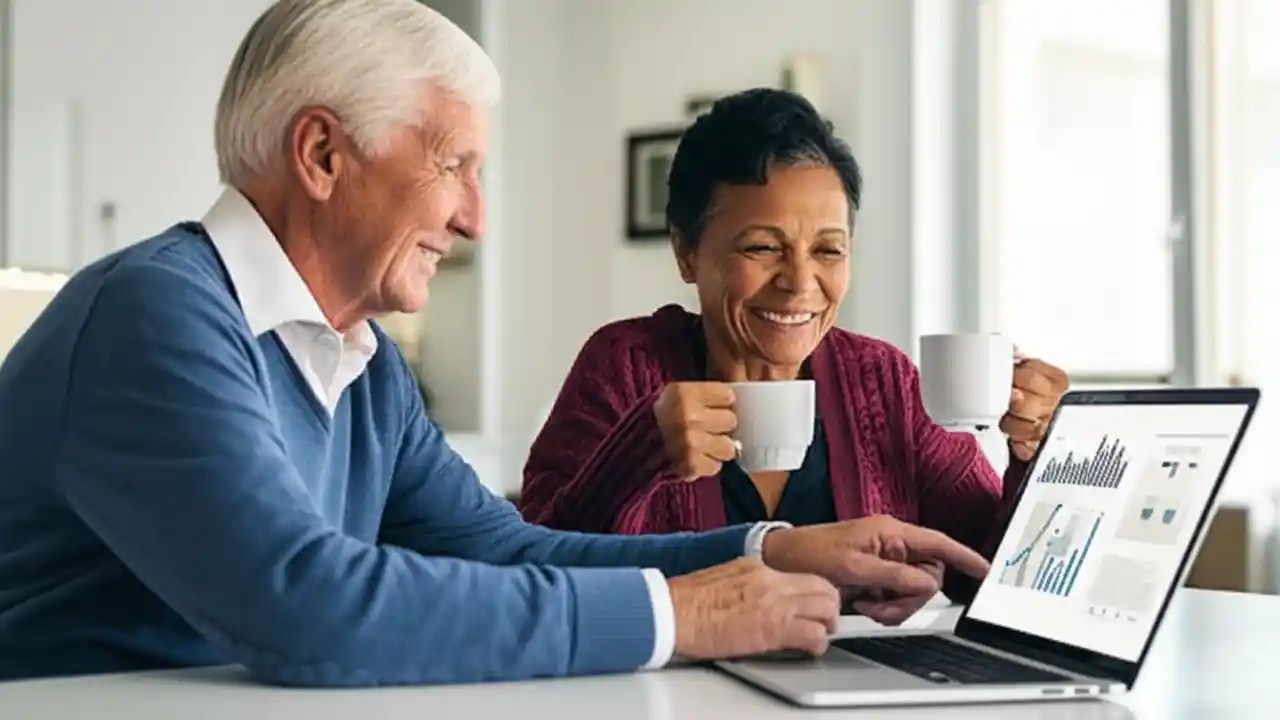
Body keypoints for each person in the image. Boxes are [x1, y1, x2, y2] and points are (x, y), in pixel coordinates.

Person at [0, 0, 990, 687]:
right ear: (322, 153)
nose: (475, 217)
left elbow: (502, 549)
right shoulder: (156, 314)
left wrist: (766, 548)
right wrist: (681, 619)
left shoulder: (361, 361)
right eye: (453, 164)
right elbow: (301, 602)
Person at [519, 88, 1069, 622]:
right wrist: (640, 454)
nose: (801, 283)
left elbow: (990, 575)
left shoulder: (884, 382)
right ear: (686, 253)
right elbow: (533, 570)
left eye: (828, 250)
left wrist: (1037, 458)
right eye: (762, 247)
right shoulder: (626, 368)